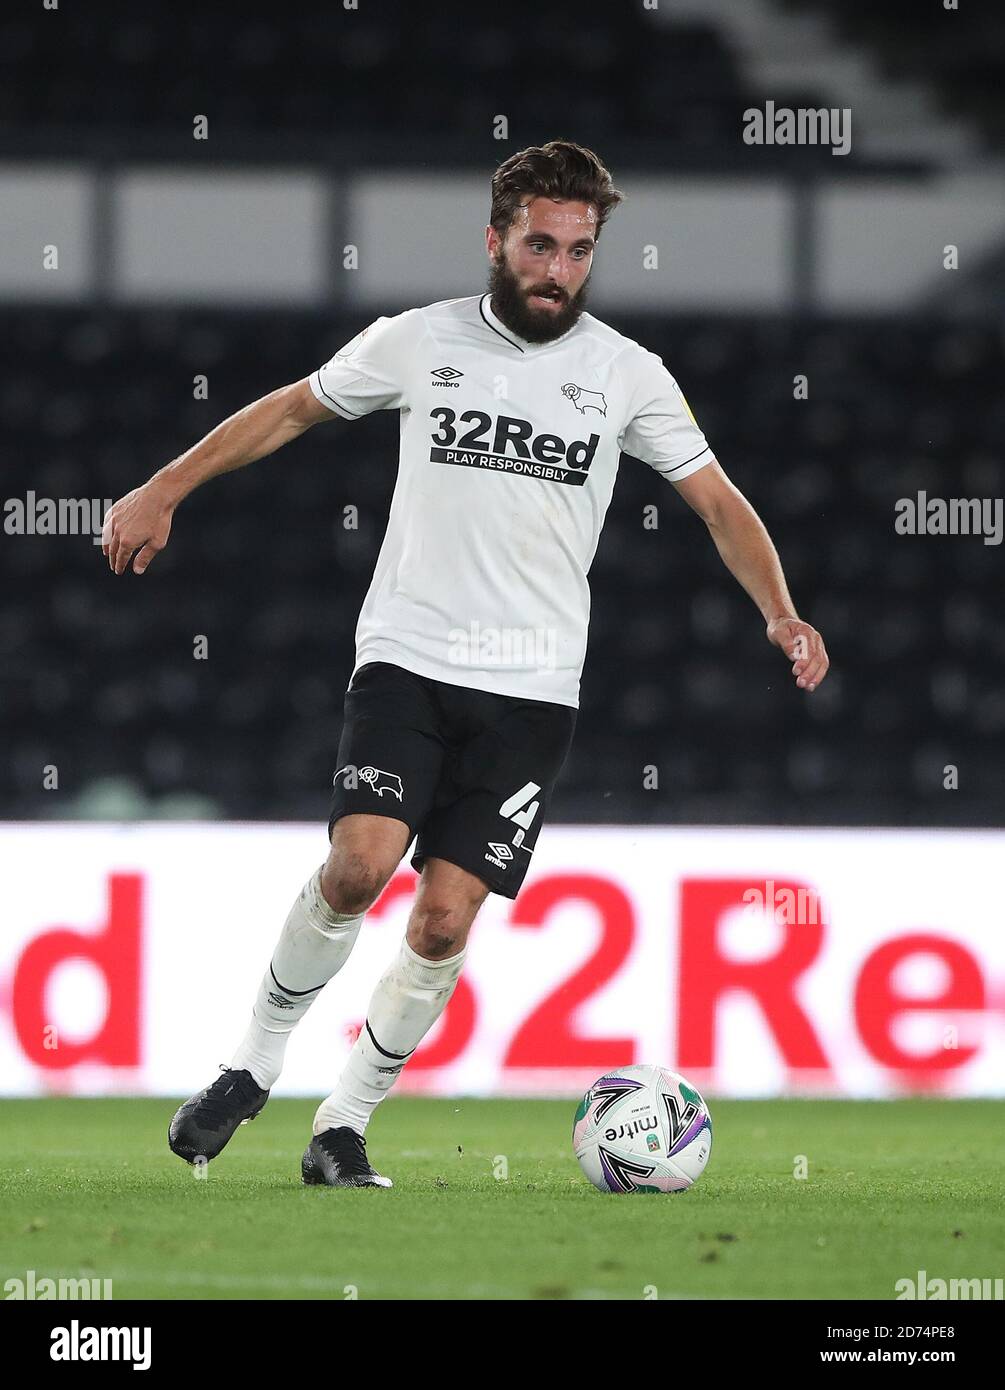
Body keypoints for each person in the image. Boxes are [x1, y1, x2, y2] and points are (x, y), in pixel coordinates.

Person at [101, 140, 829, 1188]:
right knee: (357, 867)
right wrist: (165, 485)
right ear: (496, 241)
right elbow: (296, 407)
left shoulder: (628, 375)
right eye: (540, 244)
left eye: (579, 251)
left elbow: (717, 500)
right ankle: (249, 1065)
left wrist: (782, 611)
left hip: (534, 690)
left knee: (443, 921)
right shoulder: (419, 342)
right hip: (410, 654)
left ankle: (344, 1124)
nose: (558, 269)